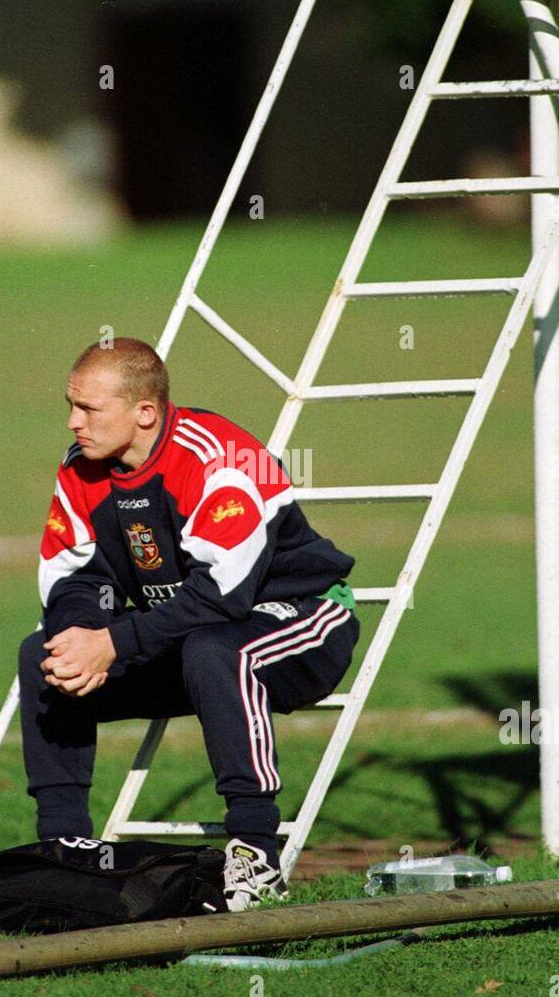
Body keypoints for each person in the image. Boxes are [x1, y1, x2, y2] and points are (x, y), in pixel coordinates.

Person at [18, 336, 360, 911]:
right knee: (42, 654)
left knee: (216, 650)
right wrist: (83, 637)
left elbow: (224, 594)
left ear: (144, 412)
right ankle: (63, 848)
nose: (73, 422)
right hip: (183, 634)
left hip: (302, 621)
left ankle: (254, 851)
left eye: (89, 409)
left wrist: (115, 641)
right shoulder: (81, 468)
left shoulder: (220, 457)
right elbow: (72, 575)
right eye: (70, 405)